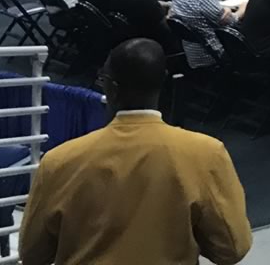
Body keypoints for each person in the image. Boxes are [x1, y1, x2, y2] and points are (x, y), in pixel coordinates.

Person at [18, 38, 252, 265]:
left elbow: (32, 254)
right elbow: (232, 248)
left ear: (112, 87)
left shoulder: (60, 161)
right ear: (163, 81)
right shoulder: (207, 153)